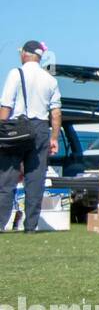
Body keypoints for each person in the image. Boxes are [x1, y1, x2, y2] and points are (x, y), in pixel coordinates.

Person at [0, 40, 62, 233]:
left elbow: (6, 106)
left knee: (7, 178)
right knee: (35, 179)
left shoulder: (15, 74)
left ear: (25, 54)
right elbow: (56, 113)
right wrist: (54, 138)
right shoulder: (50, 79)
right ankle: (30, 227)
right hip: (40, 129)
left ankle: (1, 223)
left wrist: (1, 130)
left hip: (17, 128)